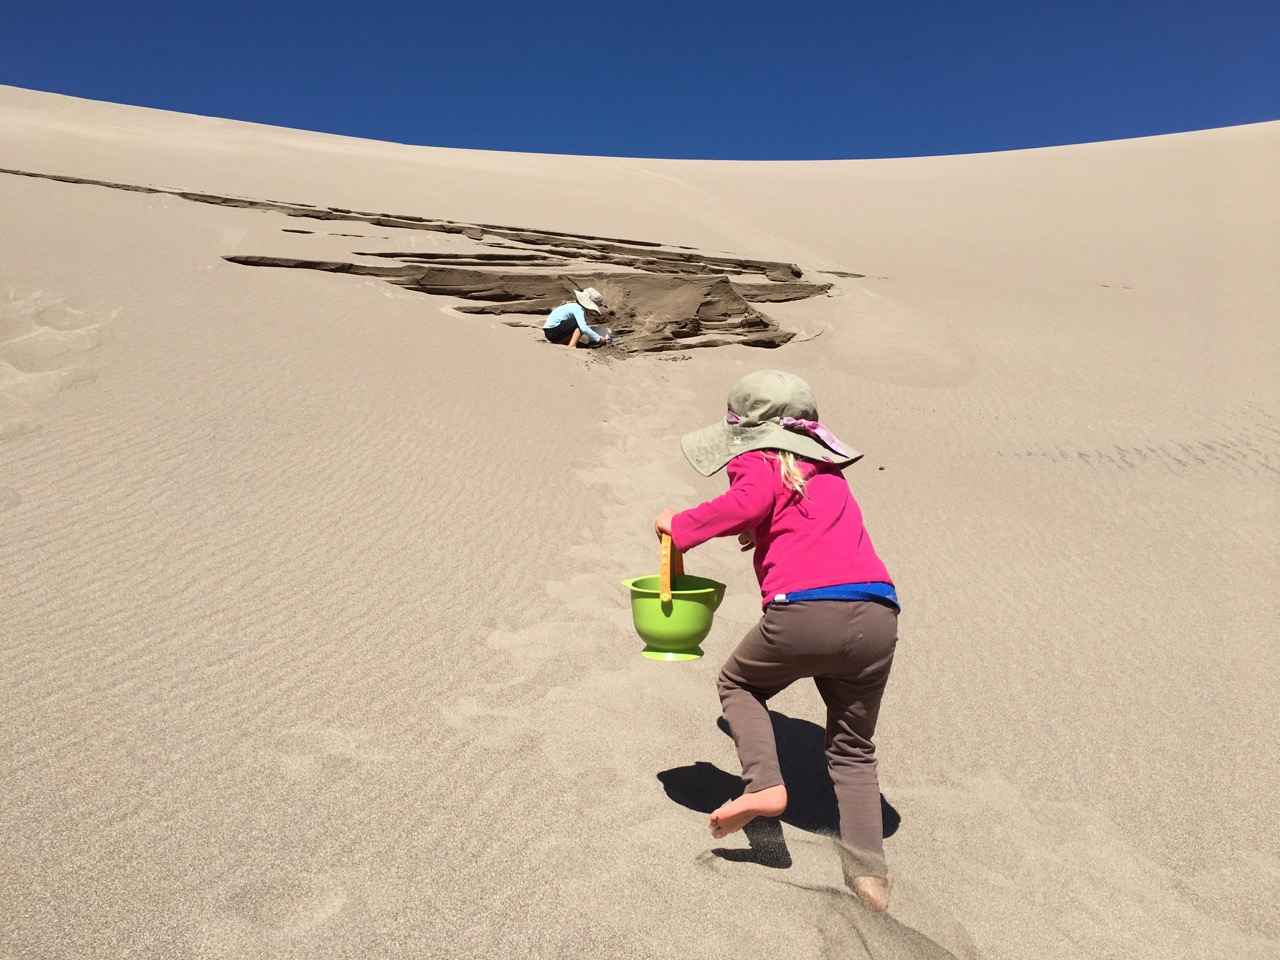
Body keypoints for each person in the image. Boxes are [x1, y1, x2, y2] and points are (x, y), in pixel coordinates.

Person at [654, 370, 899, 912]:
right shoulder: (829, 473)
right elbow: (798, 519)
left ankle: (764, 785)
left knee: (738, 682)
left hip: (804, 613)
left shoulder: (759, 459)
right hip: (879, 615)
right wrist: (762, 529)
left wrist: (680, 525)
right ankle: (871, 879)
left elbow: (745, 499)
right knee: (853, 751)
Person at [542, 287, 612, 348]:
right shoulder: (579, 309)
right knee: (580, 326)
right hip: (552, 331)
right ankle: (572, 345)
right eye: (592, 310)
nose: (592, 313)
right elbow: (583, 328)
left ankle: (561, 341)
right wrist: (599, 338)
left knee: (578, 325)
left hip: (550, 331)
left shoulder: (575, 306)